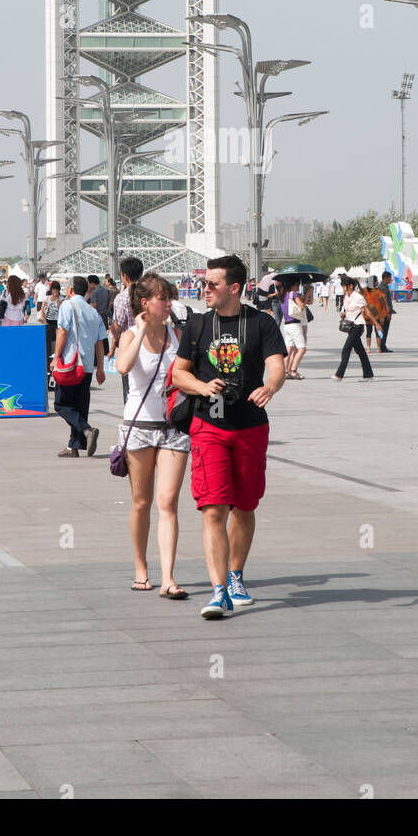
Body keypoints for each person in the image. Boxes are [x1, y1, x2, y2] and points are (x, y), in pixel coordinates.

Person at [172, 254, 286, 619]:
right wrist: (203, 387)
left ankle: (236, 575)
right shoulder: (198, 325)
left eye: (212, 284)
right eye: (204, 283)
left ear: (234, 288)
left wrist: (270, 385)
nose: (204, 289)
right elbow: (178, 374)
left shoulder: (261, 323)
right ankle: (219, 590)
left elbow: (277, 365)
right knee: (214, 507)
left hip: (251, 426)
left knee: (246, 505)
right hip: (210, 426)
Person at [115, 274, 189, 597]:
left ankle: (169, 577)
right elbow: (121, 367)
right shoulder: (130, 335)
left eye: (170, 297)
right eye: (163, 298)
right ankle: (141, 568)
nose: (169, 303)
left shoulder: (178, 335)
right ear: (145, 304)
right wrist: (142, 328)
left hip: (173, 427)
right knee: (141, 502)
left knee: (168, 502)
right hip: (139, 427)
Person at [53, 278, 106, 458]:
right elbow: (100, 342)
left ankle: (86, 430)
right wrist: (101, 368)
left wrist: (56, 357)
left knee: (61, 404)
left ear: (70, 290)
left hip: (71, 364)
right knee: (80, 406)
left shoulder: (67, 306)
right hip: (88, 366)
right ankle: (73, 446)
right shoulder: (94, 312)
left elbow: (62, 331)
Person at [110, 257, 144, 404]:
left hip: (129, 348)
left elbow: (117, 327)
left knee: (130, 390)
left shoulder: (122, 297)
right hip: (151, 345)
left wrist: (114, 333)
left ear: (125, 275)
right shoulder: (151, 293)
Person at [332, 275, 374, 381]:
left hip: (357, 326)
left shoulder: (358, 297)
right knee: (360, 351)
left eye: (344, 287)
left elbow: (366, 310)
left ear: (350, 286)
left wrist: (376, 323)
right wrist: (343, 314)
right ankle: (368, 374)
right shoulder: (347, 297)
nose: (343, 289)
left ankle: (339, 375)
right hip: (351, 326)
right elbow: (349, 310)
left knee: (346, 350)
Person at [279, 277, 307, 379]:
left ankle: (285, 371)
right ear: (293, 286)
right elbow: (302, 306)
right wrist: (305, 297)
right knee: (302, 349)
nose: (298, 287)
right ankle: (293, 371)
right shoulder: (293, 294)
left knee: (289, 349)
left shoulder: (282, 295)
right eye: (297, 285)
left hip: (286, 325)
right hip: (295, 324)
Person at [39, 280, 62, 370]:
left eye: (56, 290)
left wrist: (58, 301)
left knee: (57, 343)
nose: (55, 292)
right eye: (53, 290)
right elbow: (42, 310)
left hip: (57, 323)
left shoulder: (61, 299)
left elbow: (62, 311)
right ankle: (48, 361)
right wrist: (45, 321)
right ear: (51, 290)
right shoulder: (47, 298)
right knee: (48, 342)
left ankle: (56, 360)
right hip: (48, 322)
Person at [362, 276, 389, 353]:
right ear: (374, 282)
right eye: (376, 281)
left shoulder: (365, 291)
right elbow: (383, 298)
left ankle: (368, 348)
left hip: (368, 314)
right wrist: (387, 310)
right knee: (378, 332)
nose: (377, 282)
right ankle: (378, 348)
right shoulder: (377, 291)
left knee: (368, 331)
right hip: (378, 314)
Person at [378, 271, 395, 351]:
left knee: (384, 329)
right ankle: (382, 346)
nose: (391, 279)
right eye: (390, 278)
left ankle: (382, 345)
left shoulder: (384, 286)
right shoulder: (382, 287)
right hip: (384, 313)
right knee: (384, 329)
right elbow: (384, 301)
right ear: (385, 278)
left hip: (383, 312)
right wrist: (388, 312)